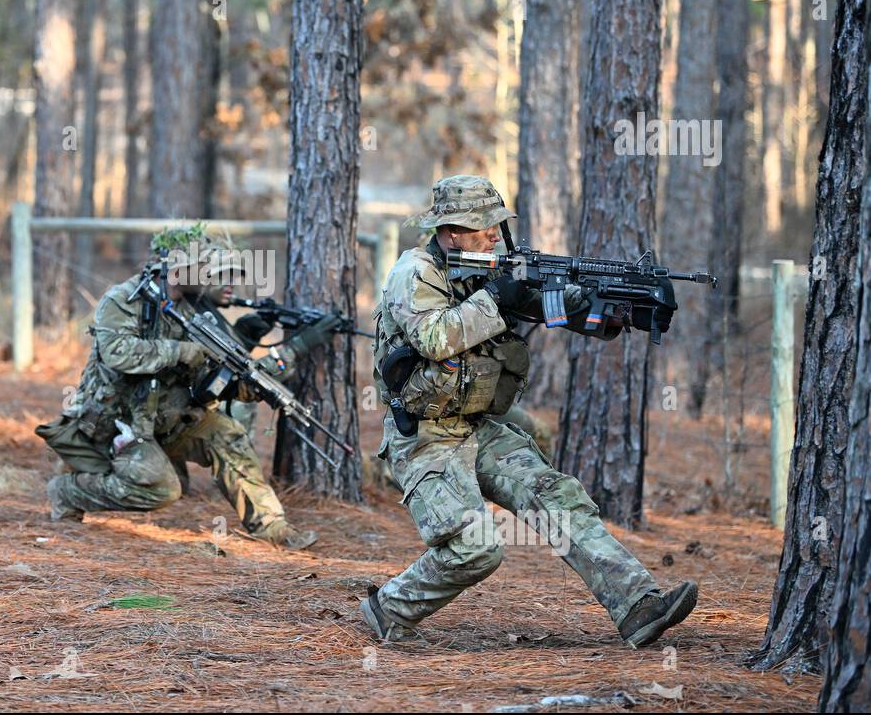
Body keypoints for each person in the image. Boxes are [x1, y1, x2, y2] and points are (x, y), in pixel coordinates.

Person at [361, 175, 698, 648]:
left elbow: (554, 309)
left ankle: (637, 605)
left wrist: (612, 307)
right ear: (451, 231)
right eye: (481, 226)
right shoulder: (415, 272)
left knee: (557, 497)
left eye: (496, 225)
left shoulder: (490, 268)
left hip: (477, 427)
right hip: (424, 436)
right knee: (475, 550)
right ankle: (390, 608)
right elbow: (435, 338)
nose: (493, 234)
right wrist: (498, 296)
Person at [36, 228, 337, 550]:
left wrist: (275, 359)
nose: (210, 274)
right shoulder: (124, 300)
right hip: (119, 424)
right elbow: (117, 352)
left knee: (227, 435)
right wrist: (179, 351)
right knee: (162, 489)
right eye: (203, 267)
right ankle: (67, 490)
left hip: (170, 419)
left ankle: (271, 526)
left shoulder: (195, 310)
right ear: (178, 272)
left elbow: (225, 376)